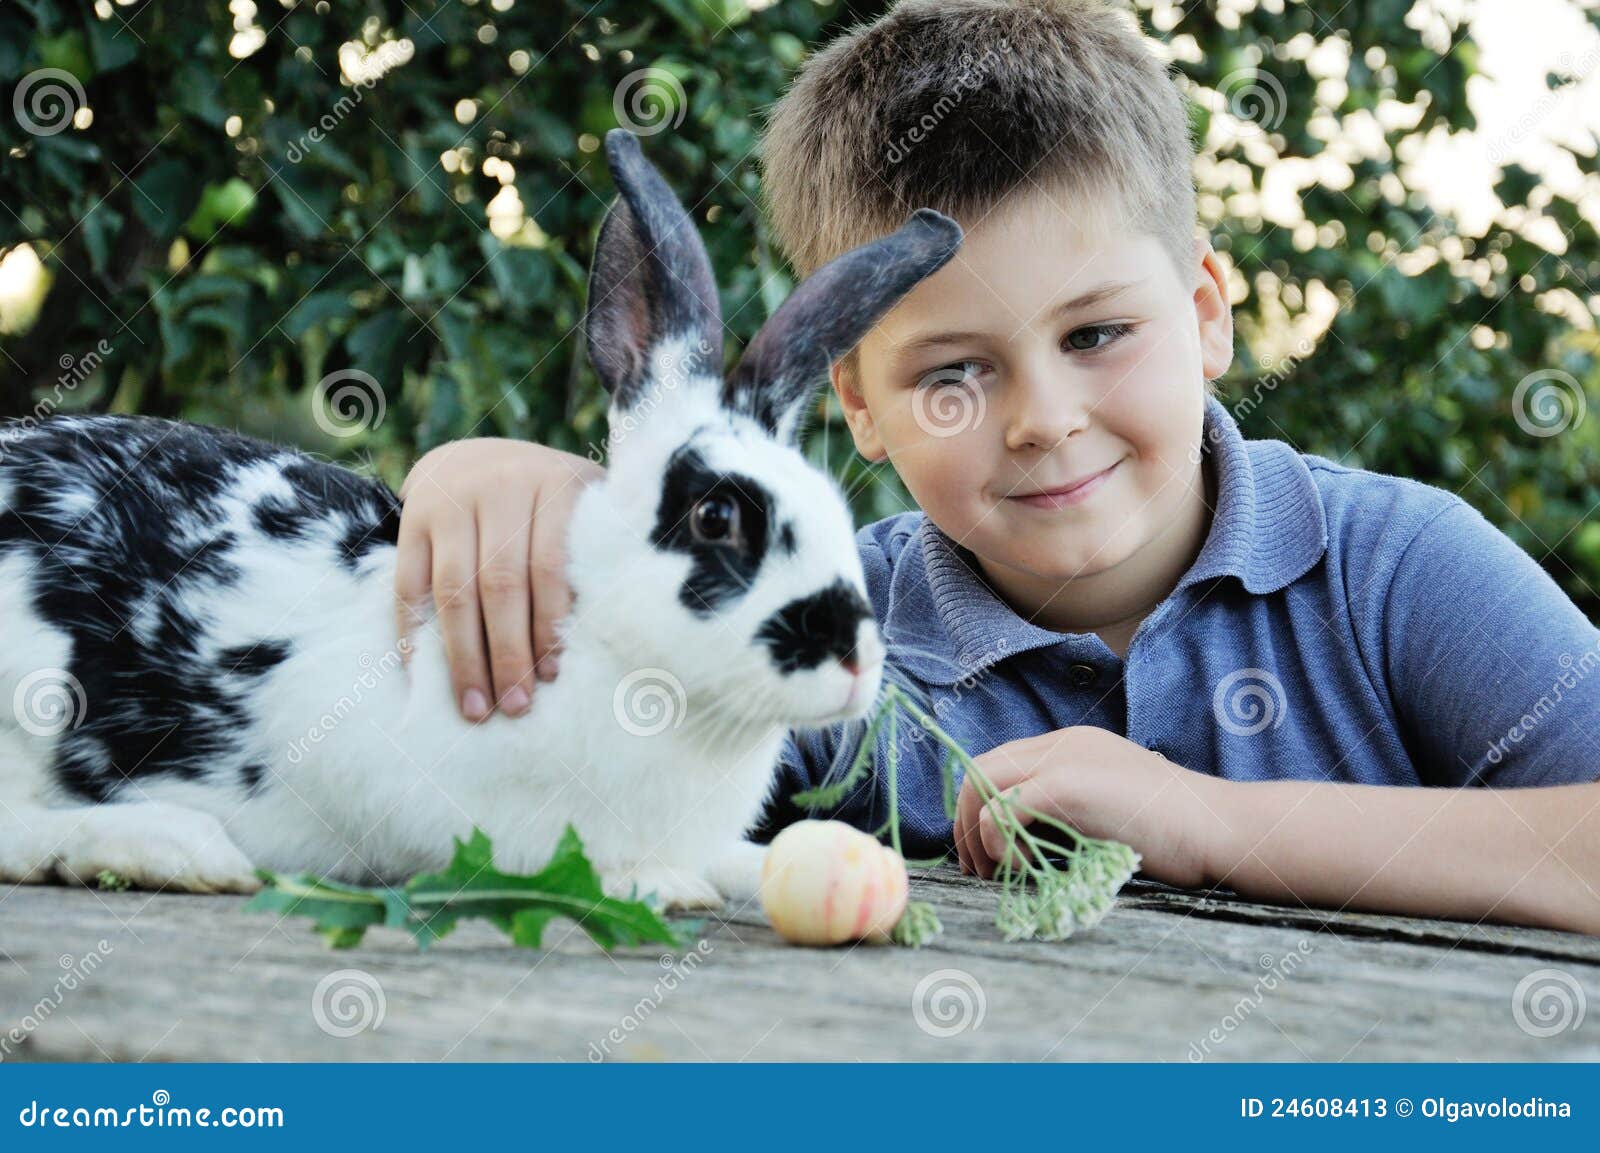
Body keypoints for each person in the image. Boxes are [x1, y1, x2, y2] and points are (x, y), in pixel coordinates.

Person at [392, 0, 1600, 933]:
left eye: (1096, 335)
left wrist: (1209, 821)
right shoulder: (824, 638)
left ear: (1206, 312)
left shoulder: (1393, 566)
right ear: (853, 399)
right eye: (952, 373)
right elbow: (559, 806)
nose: (1039, 418)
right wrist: (531, 509)